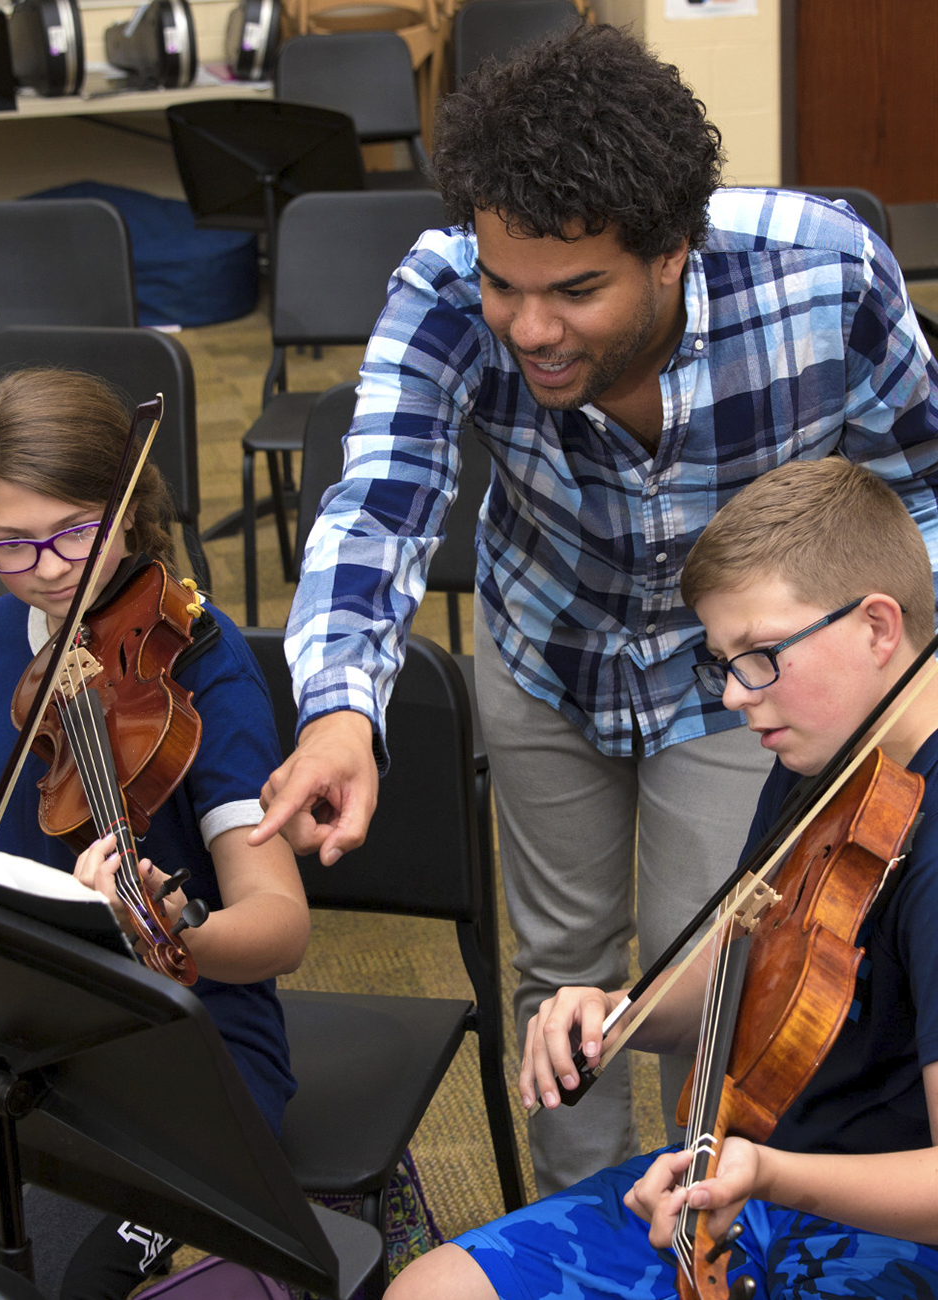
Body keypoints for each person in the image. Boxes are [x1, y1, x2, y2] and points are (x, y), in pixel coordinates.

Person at [249, 21, 938, 1193]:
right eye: (505, 286)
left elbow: (921, 481)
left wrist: (885, 674)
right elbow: (378, 505)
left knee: (715, 986)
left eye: (574, 290)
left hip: (734, 683)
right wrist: (337, 713)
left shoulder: (824, 272)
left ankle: (695, 1218)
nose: (528, 327)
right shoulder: (443, 286)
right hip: (548, 646)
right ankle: (584, 1226)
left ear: (671, 252)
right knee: (558, 977)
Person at [383, 455, 938, 1299]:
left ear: (877, 626)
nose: (737, 697)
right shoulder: (830, 750)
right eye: (723, 662)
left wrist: (770, 1176)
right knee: (430, 1289)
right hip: (754, 1181)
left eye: (758, 654)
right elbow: (746, 961)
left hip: (882, 1223)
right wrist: (620, 1014)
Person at [0, 368, 310, 1300]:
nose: (51, 569)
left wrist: (175, 929)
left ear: (130, 510)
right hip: (11, 1033)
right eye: (10, 546)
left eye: (74, 532)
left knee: (60, 1283)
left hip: (184, 1051)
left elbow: (280, 924)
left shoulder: (201, 664)